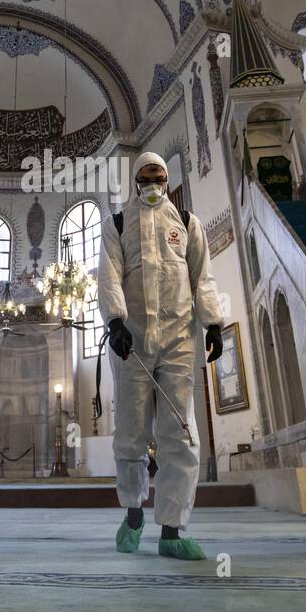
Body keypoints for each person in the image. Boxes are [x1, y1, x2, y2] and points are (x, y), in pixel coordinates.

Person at [98, 151, 223, 560]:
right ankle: (134, 513)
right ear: (135, 181)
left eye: (159, 177)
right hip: (131, 342)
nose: (153, 184)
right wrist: (115, 321)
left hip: (178, 341)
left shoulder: (187, 223)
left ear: (167, 180)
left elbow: (202, 276)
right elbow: (110, 274)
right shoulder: (117, 224)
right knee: (132, 435)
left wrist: (214, 322)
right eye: (146, 178)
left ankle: (172, 529)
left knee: (180, 435)